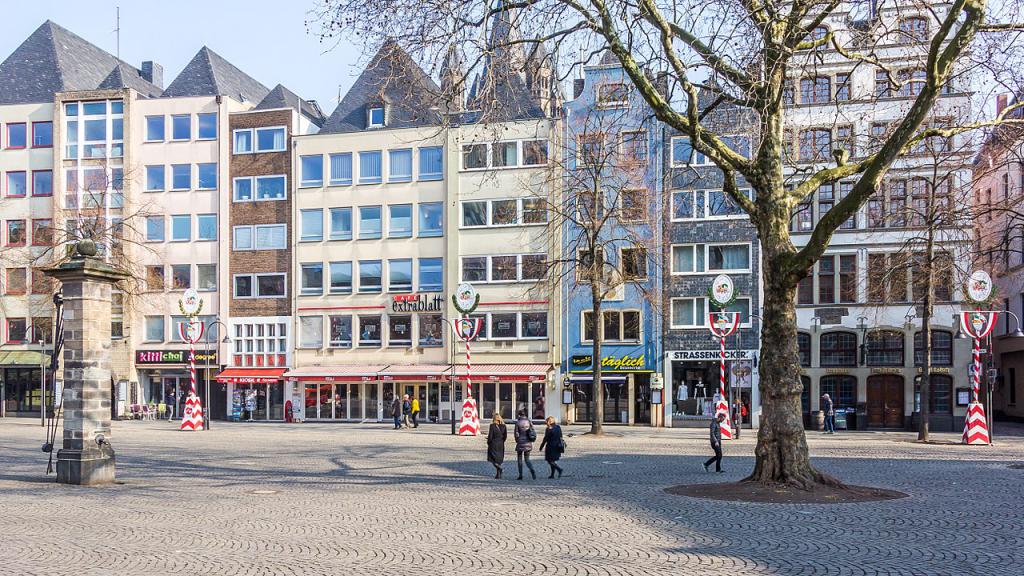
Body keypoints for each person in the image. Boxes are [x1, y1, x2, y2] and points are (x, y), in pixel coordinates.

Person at [513, 410, 536, 480]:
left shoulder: (518, 423)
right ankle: (531, 469)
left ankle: (520, 475)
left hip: (520, 442)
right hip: (528, 442)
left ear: (519, 415)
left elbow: (516, 434)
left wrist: (517, 441)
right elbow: (533, 432)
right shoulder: (529, 422)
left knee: (519, 459)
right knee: (527, 459)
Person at [486, 414, 507, 479]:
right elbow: (505, 436)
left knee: (492, 458)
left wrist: (488, 442)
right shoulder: (504, 426)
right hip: (501, 444)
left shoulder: (492, 426)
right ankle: (498, 475)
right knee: (499, 459)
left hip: (493, 444)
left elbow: (490, 436)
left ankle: (499, 469)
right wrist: (501, 441)